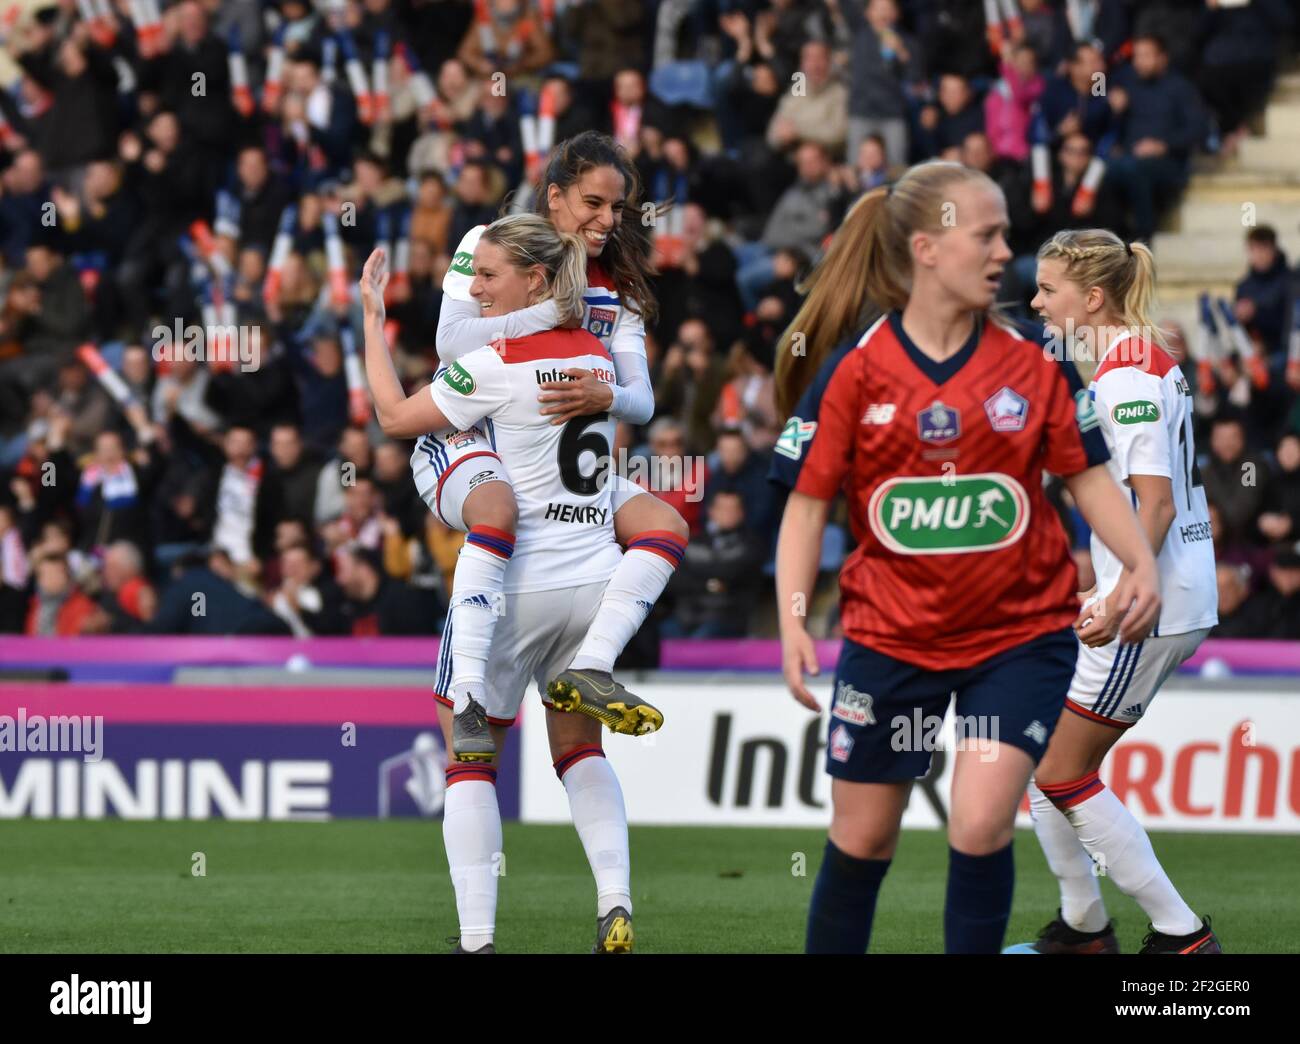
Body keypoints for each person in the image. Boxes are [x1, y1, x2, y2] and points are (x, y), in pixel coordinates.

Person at [771, 162, 1160, 955]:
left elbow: (1089, 477)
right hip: (890, 640)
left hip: (1016, 640)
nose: (1004, 253)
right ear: (927, 248)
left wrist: (1139, 565)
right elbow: (805, 507)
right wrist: (793, 621)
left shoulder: (1036, 360)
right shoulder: (856, 368)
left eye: (1005, 235)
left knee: (980, 823)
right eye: (987, 236)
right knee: (864, 838)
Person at [361, 215, 663, 955]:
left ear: (534, 279)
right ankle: (615, 902)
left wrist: (370, 320)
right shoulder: (595, 358)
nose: (477, 290)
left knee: (470, 762)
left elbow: (395, 417)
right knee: (580, 754)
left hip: (513, 587)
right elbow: (634, 401)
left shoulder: (496, 363)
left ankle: (477, 941)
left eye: (489, 276)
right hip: (592, 584)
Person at [415, 131, 689, 763]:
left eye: (617, 208)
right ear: (555, 196)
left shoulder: (616, 289)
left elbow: (642, 401)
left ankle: (592, 665)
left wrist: (605, 395)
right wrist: (552, 315)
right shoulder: (486, 243)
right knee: (496, 510)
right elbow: (450, 342)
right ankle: (469, 688)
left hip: (561, 471)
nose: (608, 220)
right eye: (594, 203)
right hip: (468, 435)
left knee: (666, 524)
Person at [1011, 228, 1220, 955]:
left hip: (1151, 605)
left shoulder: (1125, 376)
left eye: (1049, 290)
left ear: (1093, 297)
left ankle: (1181, 937)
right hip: (1159, 592)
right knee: (1042, 759)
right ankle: (1083, 929)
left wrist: (1122, 591)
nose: (1036, 304)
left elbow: (1153, 503)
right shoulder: (1135, 360)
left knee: (1058, 770)